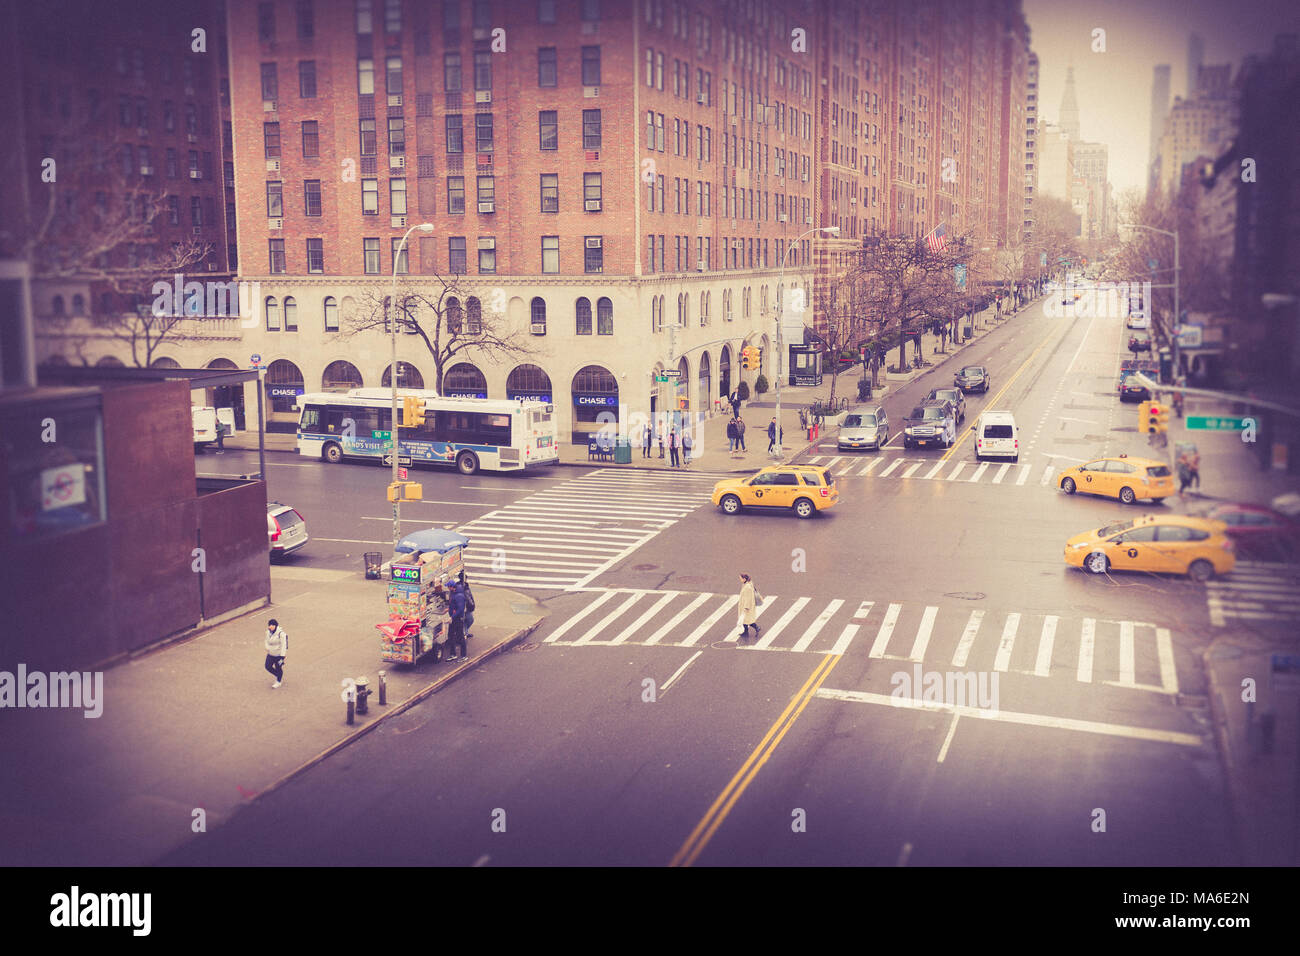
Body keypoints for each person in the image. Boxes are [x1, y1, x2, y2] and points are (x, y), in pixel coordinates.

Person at [737, 573, 763, 643]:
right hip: (745, 605)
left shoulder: (748, 587)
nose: (740, 580)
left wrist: (746, 607)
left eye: (741, 578)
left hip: (747, 606)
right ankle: (746, 632)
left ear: (744, 579)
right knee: (745, 620)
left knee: (748, 620)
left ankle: (757, 627)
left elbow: (748, 598)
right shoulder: (746, 585)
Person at [446, 581, 468, 662]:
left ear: (451, 587)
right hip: (453, 618)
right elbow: (453, 605)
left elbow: (460, 609)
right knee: (450, 636)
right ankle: (453, 654)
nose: (447, 588)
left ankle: (464, 655)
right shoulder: (453, 593)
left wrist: (452, 617)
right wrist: (449, 609)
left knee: (460, 637)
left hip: (458, 619)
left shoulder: (459, 596)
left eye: (448, 586)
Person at [264, 618, 287, 688]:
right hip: (270, 653)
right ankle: (278, 675)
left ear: (275, 626)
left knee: (278, 668)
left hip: (278, 655)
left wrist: (282, 657)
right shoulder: (268, 632)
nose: (269, 627)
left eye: (271, 625)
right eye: (269, 625)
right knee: (267, 666)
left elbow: (284, 645)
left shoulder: (281, 634)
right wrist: (267, 648)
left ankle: (278, 681)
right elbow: (266, 641)